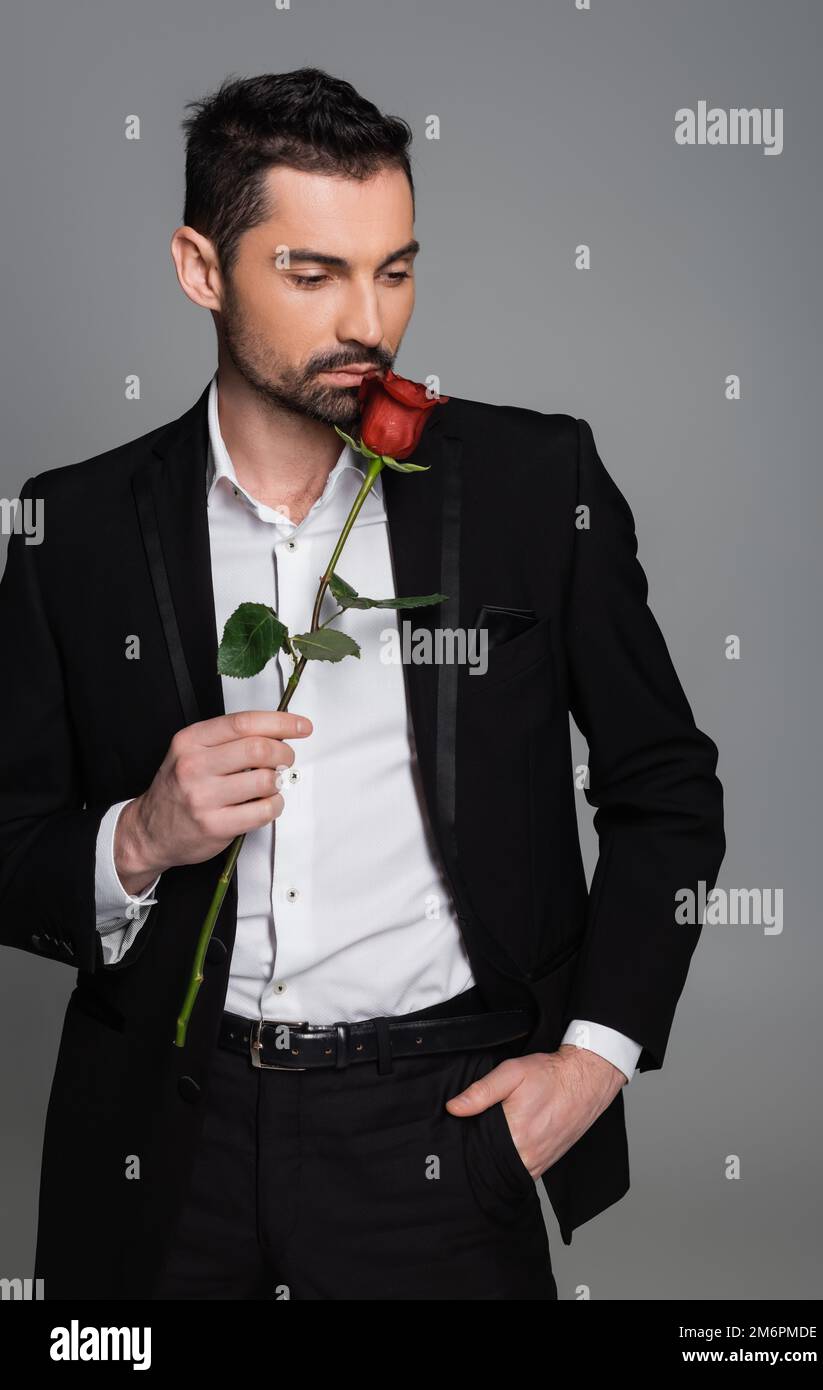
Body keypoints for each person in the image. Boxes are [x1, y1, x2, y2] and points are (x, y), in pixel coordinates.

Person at [0, 67, 725, 1300]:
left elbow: (668, 790)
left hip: (444, 1121)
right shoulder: (69, 526)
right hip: (168, 1136)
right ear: (200, 267)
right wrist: (139, 837)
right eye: (314, 272)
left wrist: (592, 1061)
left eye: (393, 269)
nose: (370, 323)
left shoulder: (536, 484)